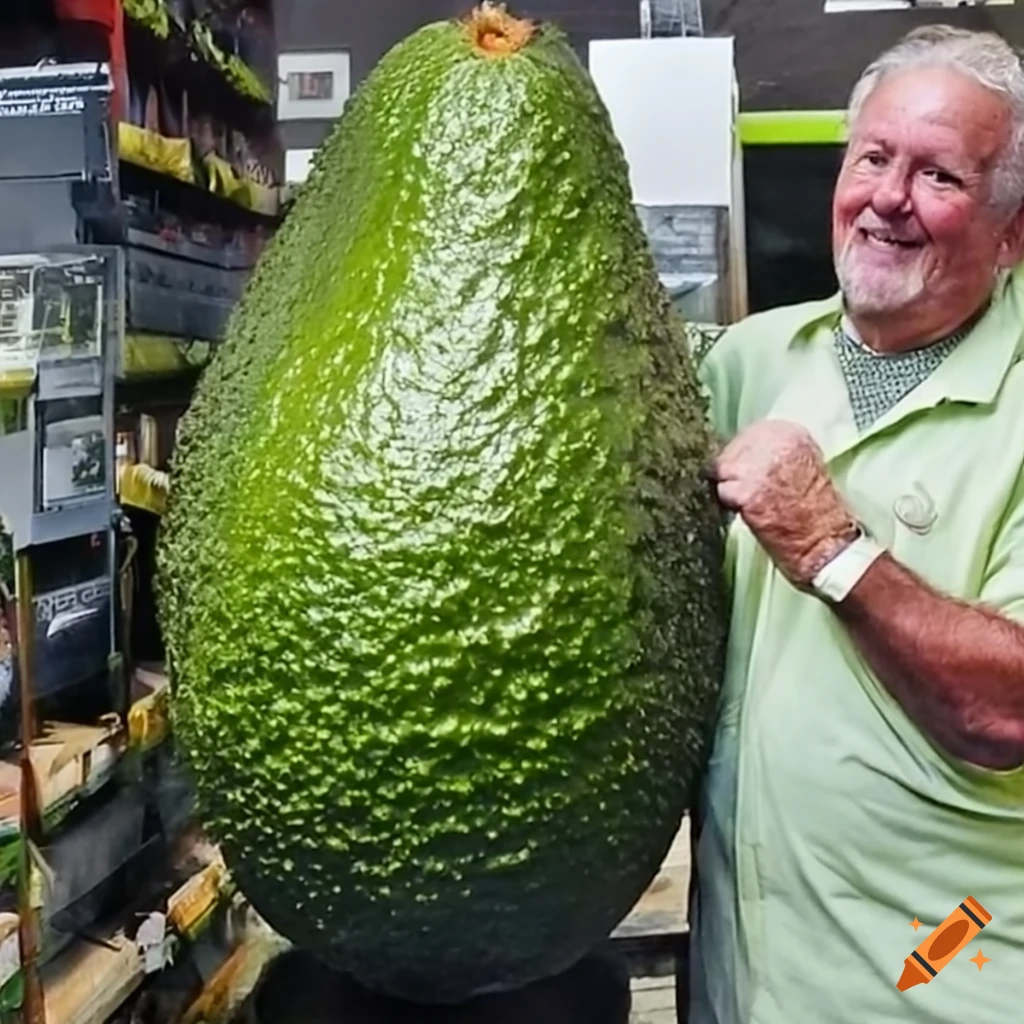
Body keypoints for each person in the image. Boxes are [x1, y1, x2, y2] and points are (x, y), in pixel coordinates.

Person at [688, 24, 1024, 1024]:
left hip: (938, 980)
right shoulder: (745, 365)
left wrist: (834, 549)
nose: (886, 197)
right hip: (740, 983)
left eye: (939, 177)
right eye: (872, 157)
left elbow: (1009, 712)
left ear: (1011, 233)